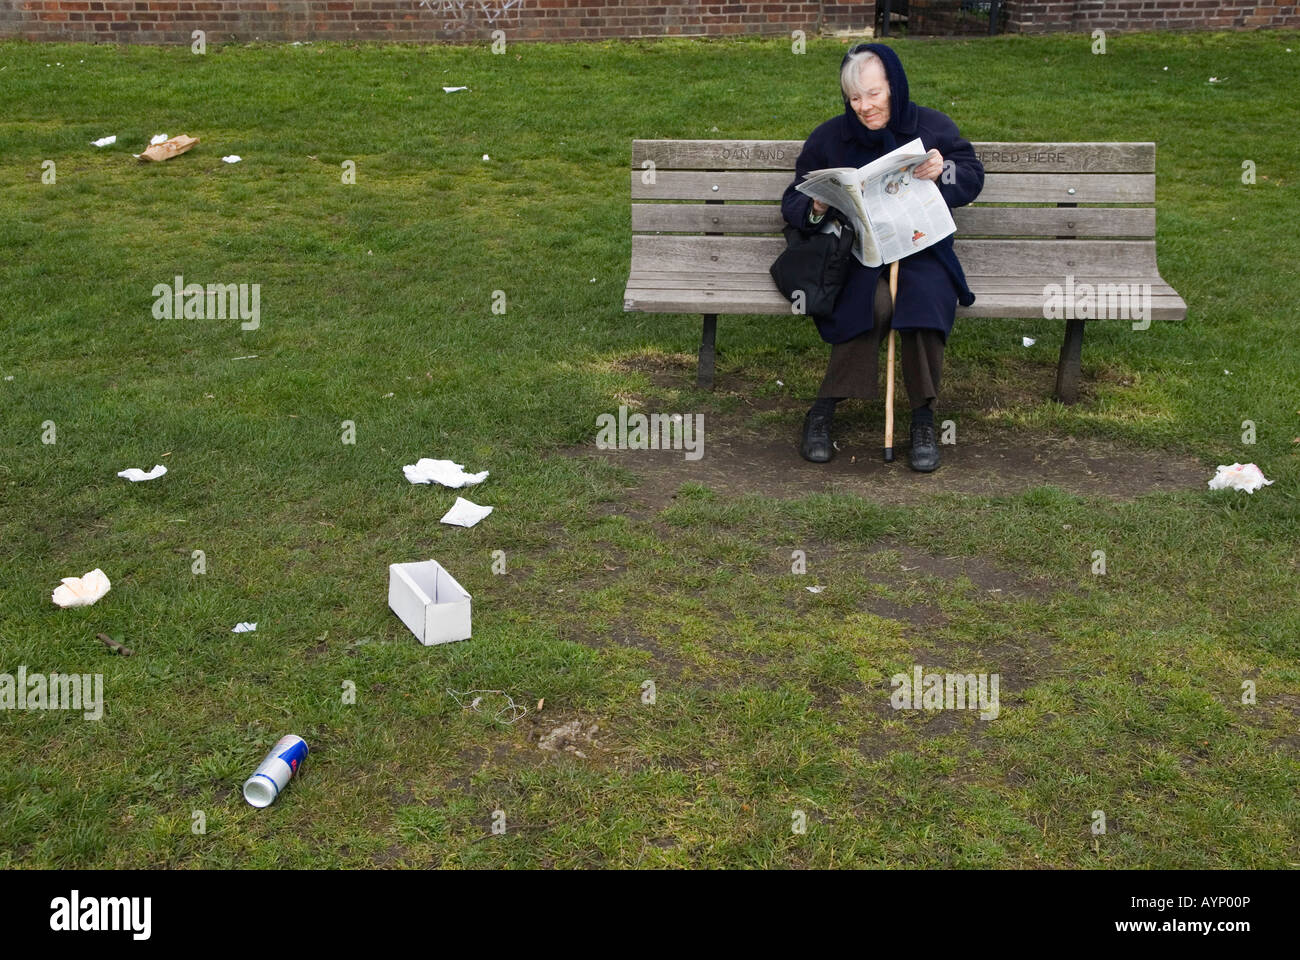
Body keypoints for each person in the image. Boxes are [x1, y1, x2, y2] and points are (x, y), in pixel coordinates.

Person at [781, 42, 984, 472]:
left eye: (873, 94)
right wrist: (816, 206)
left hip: (921, 250)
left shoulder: (930, 126)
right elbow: (793, 201)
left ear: (893, 85)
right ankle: (824, 408)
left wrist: (942, 171)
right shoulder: (830, 137)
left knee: (924, 299)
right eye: (855, 98)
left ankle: (923, 416)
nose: (865, 107)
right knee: (867, 302)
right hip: (858, 256)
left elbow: (970, 175)